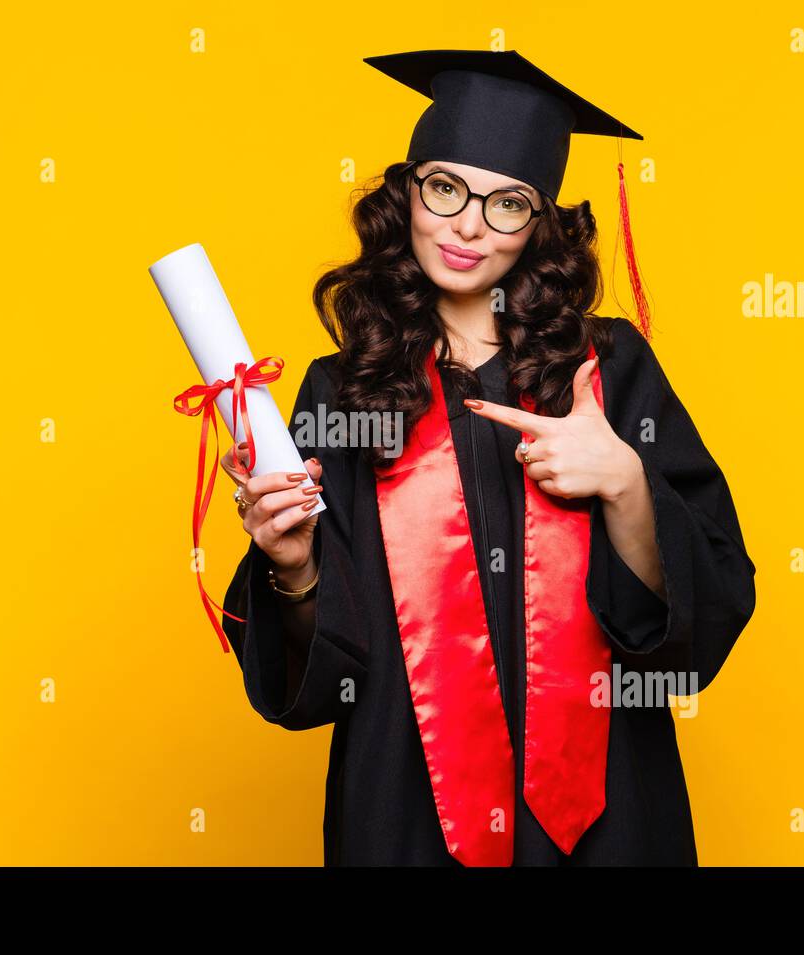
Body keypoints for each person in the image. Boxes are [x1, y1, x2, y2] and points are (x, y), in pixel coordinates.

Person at [217, 49, 757, 866]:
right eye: (445, 187)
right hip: (408, 805)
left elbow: (710, 607)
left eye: (507, 203)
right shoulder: (344, 389)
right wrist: (294, 566)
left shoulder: (610, 368)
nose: (468, 225)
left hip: (605, 806)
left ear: (541, 224)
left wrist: (625, 485)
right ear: (407, 194)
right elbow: (325, 679)